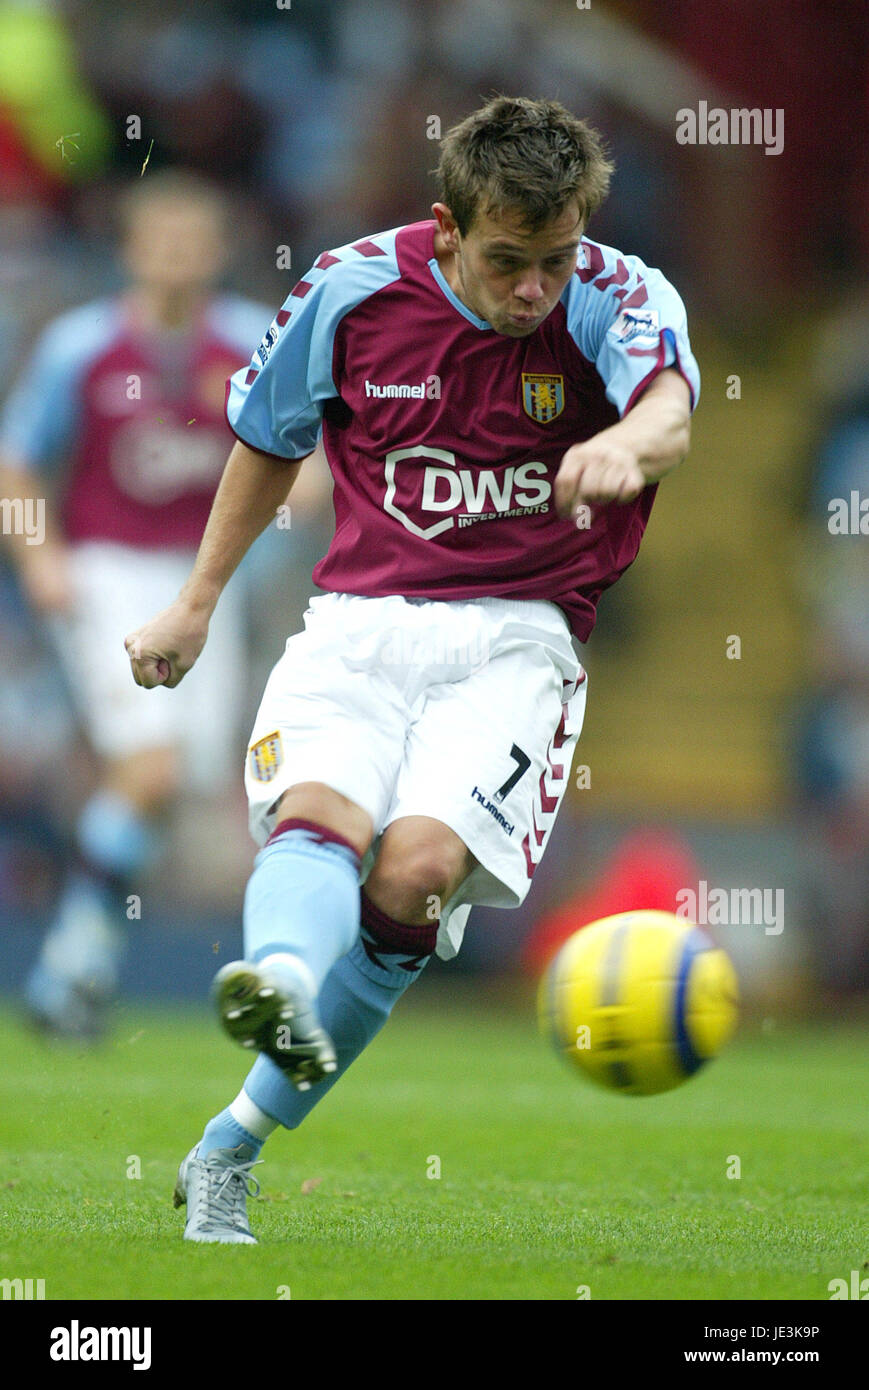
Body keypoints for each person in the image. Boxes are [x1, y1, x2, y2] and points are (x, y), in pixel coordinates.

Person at [125, 96, 700, 1244]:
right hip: (359, 622)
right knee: (320, 815)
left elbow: (670, 410)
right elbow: (267, 439)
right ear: (446, 228)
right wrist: (195, 601)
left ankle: (230, 1143)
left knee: (416, 874)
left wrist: (618, 442)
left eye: (552, 260)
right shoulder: (349, 290)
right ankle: (283, 981)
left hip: (519, 641)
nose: (533, 289)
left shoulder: (616, 293)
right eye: (506, 260)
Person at [0, 171, 274, 1037]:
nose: (177, 257)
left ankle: (73, 971)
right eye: (162, 240)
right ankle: (72, 968)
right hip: (110, 572)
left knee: (173, 783)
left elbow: (302, 437)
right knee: (151, 769)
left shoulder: (250, 340)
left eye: (194, 241)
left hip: (207, 581)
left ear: (219, 252)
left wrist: (306, 487)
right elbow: (15, 464)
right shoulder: (81, 346)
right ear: (129, 251)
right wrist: (40, 558)